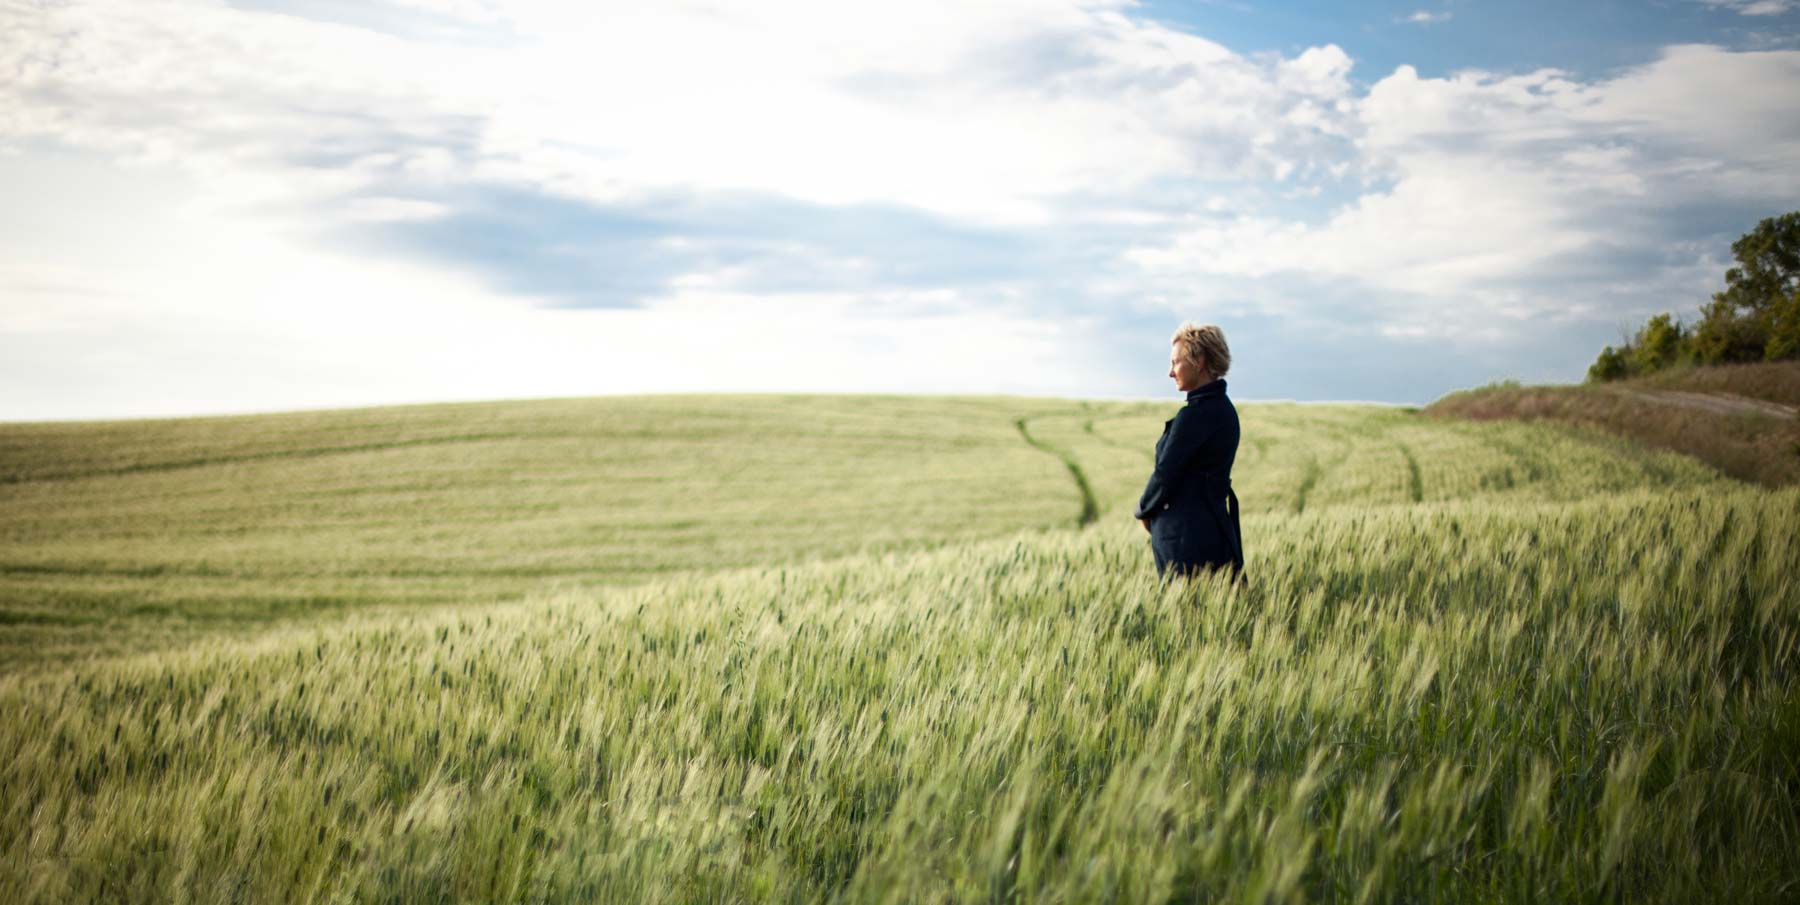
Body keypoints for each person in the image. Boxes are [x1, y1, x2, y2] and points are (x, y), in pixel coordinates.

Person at [1134, 322, 1244, 582]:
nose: (1171, 373)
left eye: (1176, 362)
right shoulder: (1226, 411)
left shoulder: (1193, 416)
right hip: (1217, 533)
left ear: (1199, 361)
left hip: (1185, 542)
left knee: (1187, 616)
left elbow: (1165, 474)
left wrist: (1143, 510)